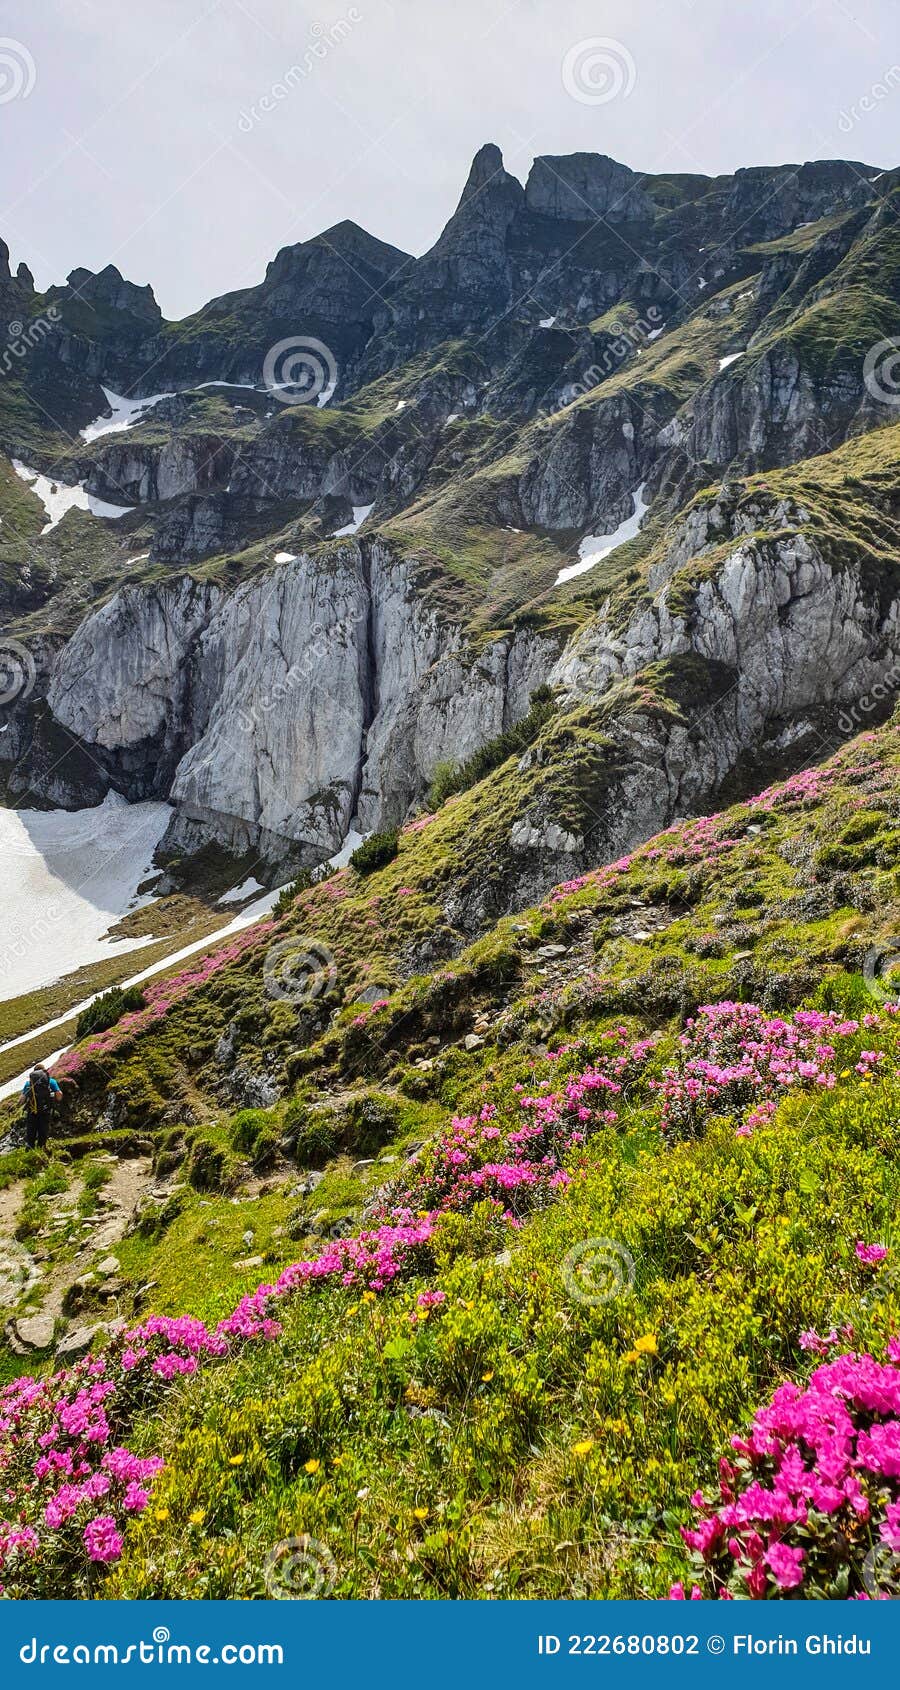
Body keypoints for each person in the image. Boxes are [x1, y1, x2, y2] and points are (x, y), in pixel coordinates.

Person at [21, 1064, 61, 1150]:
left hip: (32, 1111)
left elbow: (22, 1100)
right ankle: (42, 1150)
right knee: (43, 1132)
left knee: (31, 1133)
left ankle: (30, 1152)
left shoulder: (28, 1083)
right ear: (44, 1072)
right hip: (45, 1110)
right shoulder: (51, 1081)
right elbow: (59, 1096)